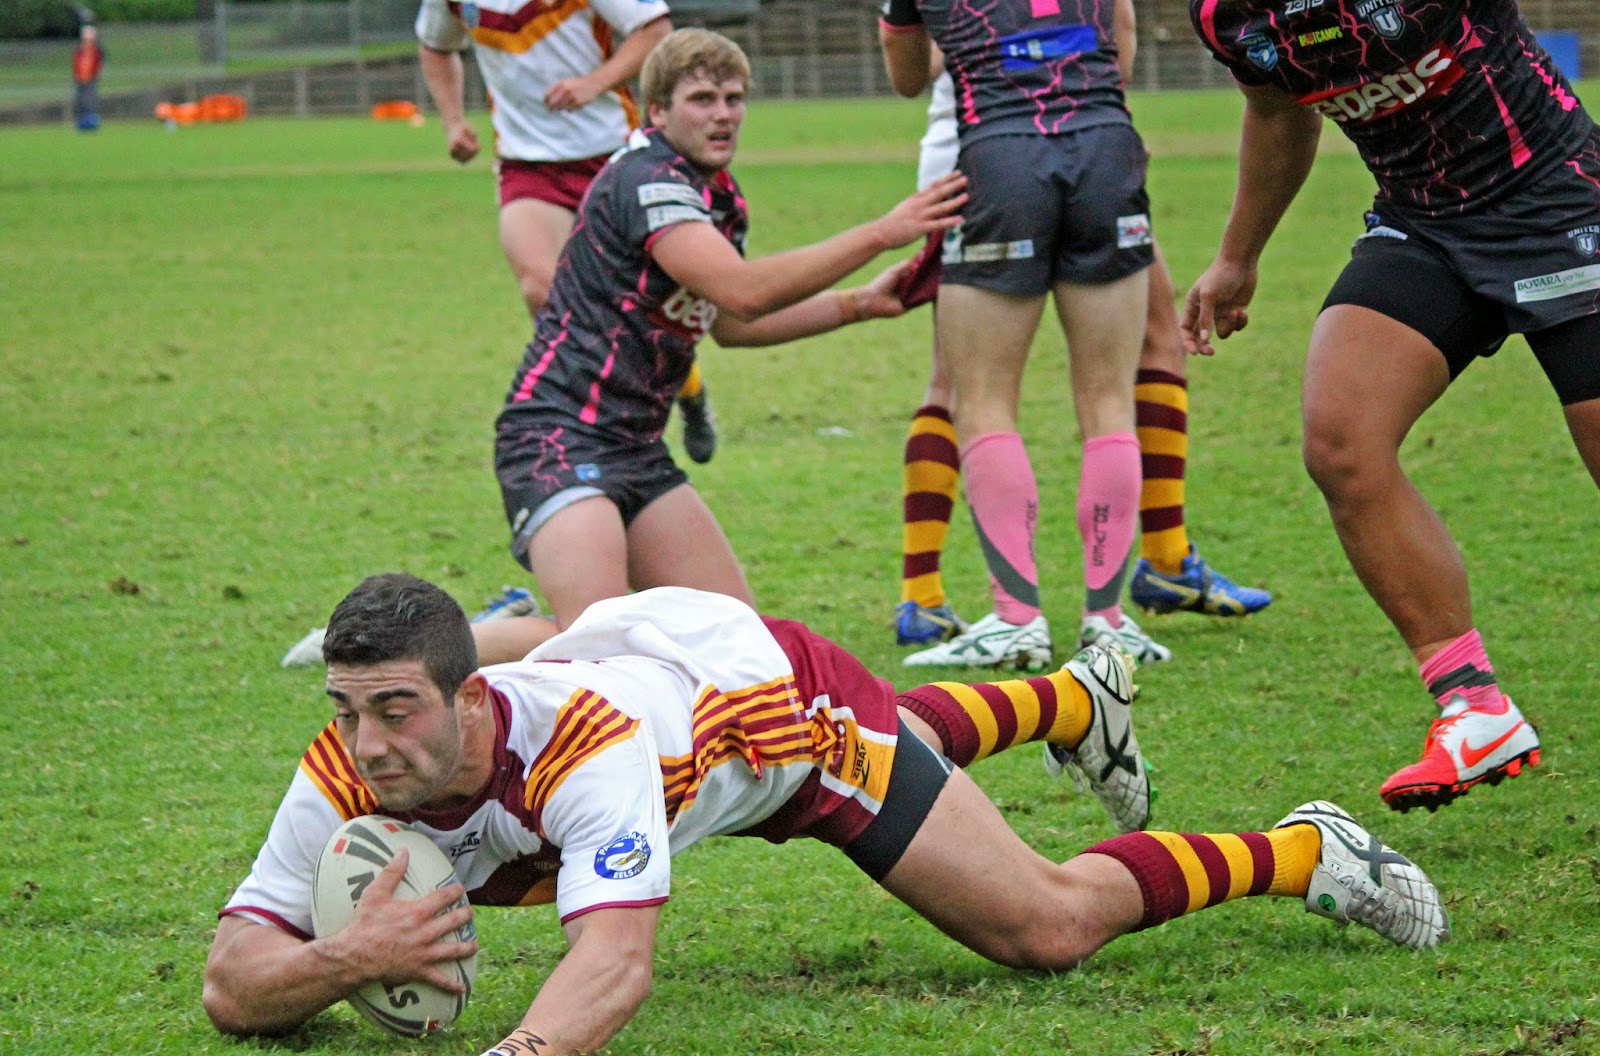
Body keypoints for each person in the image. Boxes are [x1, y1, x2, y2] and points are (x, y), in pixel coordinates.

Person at [204, 572, 1447, 1052]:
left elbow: (613, 968)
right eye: (349, 711)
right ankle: (1071, 700)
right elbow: (229, 984)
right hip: (667, 678)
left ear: (470, 698)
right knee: (921, 748)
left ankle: (1302, 848)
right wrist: (345, 959)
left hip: (785, 725)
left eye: (397, 711)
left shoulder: (584, 751)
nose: (370, 745)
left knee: (1046, 926)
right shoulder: (345, 764)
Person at [1180, 0, 1594, 811]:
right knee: (1342, 441)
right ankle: (1475, 707)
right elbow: (1277, 112)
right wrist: (1236, 258)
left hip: (1563, 204)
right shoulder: (1228, 15)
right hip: (1425, 227)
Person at [493, 29, 966, 633]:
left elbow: (733, 323)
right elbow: (744, 290)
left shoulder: (715, 196)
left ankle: (506, 628)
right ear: (657, 111)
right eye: (702, 99)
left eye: (733, 98)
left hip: (636, 448)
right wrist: (881, 232)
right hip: (558, 438)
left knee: (737, 645)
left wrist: (858, 304)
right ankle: (441, 649)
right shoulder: (647, 181)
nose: (723, 114)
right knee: (597, 642)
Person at [886, 24, 1270, 662]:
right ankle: (1140, 579)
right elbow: (1119, 48)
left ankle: (937, 599)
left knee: (966, 382)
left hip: (982, 148)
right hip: (1083, 141)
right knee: (1135, 358)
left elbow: (911, 68)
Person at [414, 0, 717, 466]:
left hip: (612, 156)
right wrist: (453, 121)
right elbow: (435, 45)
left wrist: (594, 82)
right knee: (542, 289)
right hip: (527, 164)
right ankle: (589, 416)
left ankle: (687, 391)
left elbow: (655, 29)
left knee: (645, 302)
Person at [71, 22, 104, 133]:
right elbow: (76, 64)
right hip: (80, 80)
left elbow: (98, 64)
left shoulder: (96, 51)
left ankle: (92, 122)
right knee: (80, 101)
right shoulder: (80, 51)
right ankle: (81, 123)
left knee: (90, 100)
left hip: (91, 80)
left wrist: (94, 75)